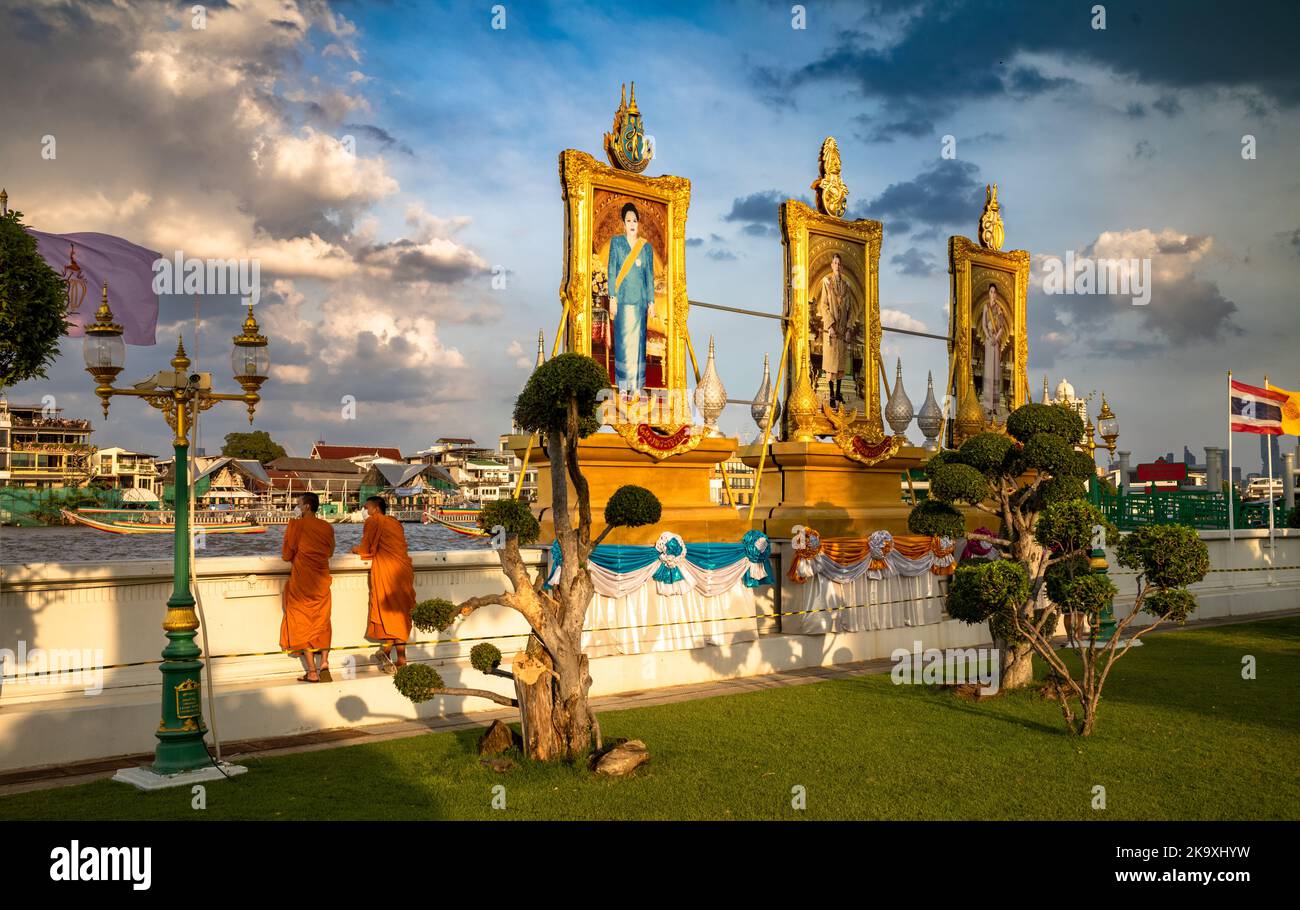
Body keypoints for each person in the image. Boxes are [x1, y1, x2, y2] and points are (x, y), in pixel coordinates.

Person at [351, 495, 416, 673]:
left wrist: (355, 549)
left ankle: (387, 650)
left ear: (375, 509)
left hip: (387, 569)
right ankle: (399, 657)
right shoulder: (395, 522)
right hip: (403, 569)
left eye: (367, 507)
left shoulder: (374, 521)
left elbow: (365, 548)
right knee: (401, 612)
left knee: (391, 612)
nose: (365, 511)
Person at [280, 492, 335, 683]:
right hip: (321, 579)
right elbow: (329, 551)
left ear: (307, 507)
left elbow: (287, 555)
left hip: (303, 581)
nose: (296, 507)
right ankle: (325, 662)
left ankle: (311, 671)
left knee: (301, 621)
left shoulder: (297, 525)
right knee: (322, 620)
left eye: (298, 504)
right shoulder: (326, 527)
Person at [606, 201, 655, 397]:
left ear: (638, 223)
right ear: (623, 224)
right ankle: (624, 386)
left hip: (640, 302)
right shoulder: (616, 243)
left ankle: (636, 387)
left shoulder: (646, 247)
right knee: (625, 344)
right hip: (623, 300)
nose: (632, 223)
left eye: (635, 220)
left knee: (638, 345)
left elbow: (649, 276)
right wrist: (612, 297)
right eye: (628, 220)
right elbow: (611, 270)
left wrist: (651, 302)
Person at [816, 254, 854, 406]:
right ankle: (831, 394)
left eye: (839, 263)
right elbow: (824, 305)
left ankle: (838, 393)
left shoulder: (846, 286)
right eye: (835, 263)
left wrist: (849, 328)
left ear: (841, 266)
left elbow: (851, 310)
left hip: (842, 332)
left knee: (840, 364)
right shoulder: (827, 283)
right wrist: (830, 325)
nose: (837, 265)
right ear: (832, 265)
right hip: (831, 332)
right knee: (831, 365)